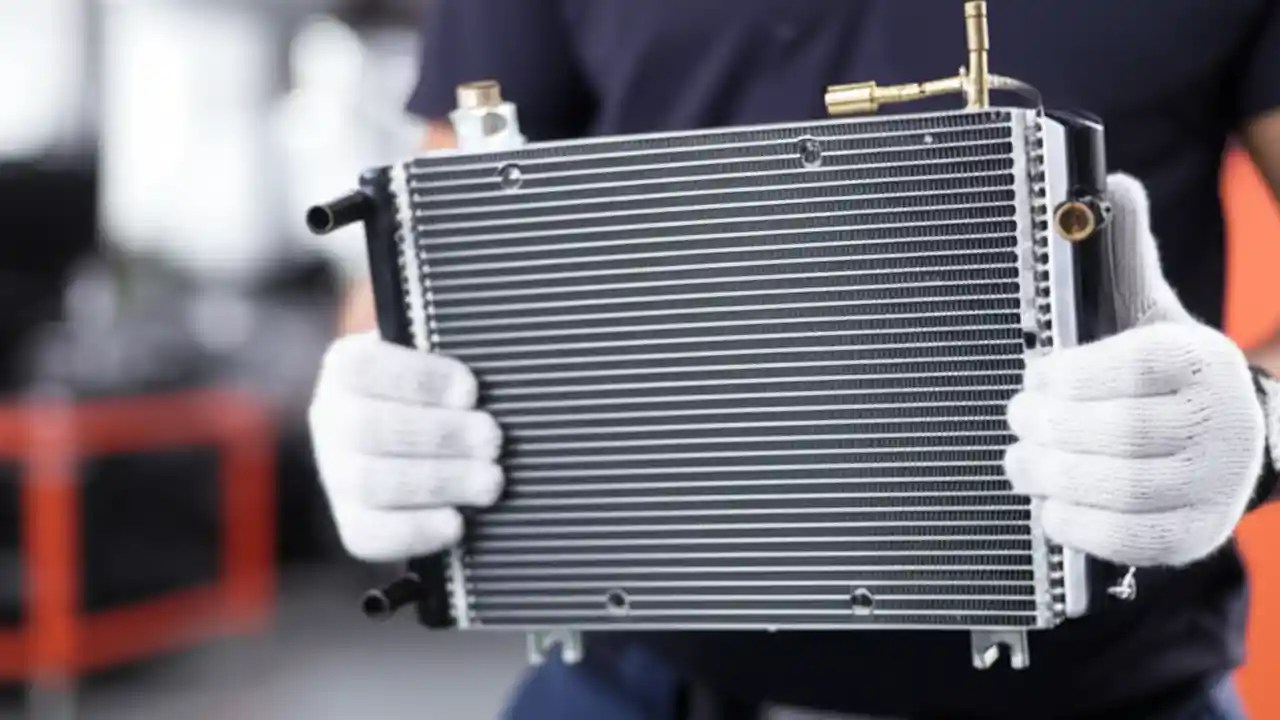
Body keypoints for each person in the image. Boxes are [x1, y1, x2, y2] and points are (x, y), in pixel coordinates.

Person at [309, 1, 1280, 717]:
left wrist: (1258, 422)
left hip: (1108, 688)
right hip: (638, 678)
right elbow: (447, 229)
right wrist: (379, 399)